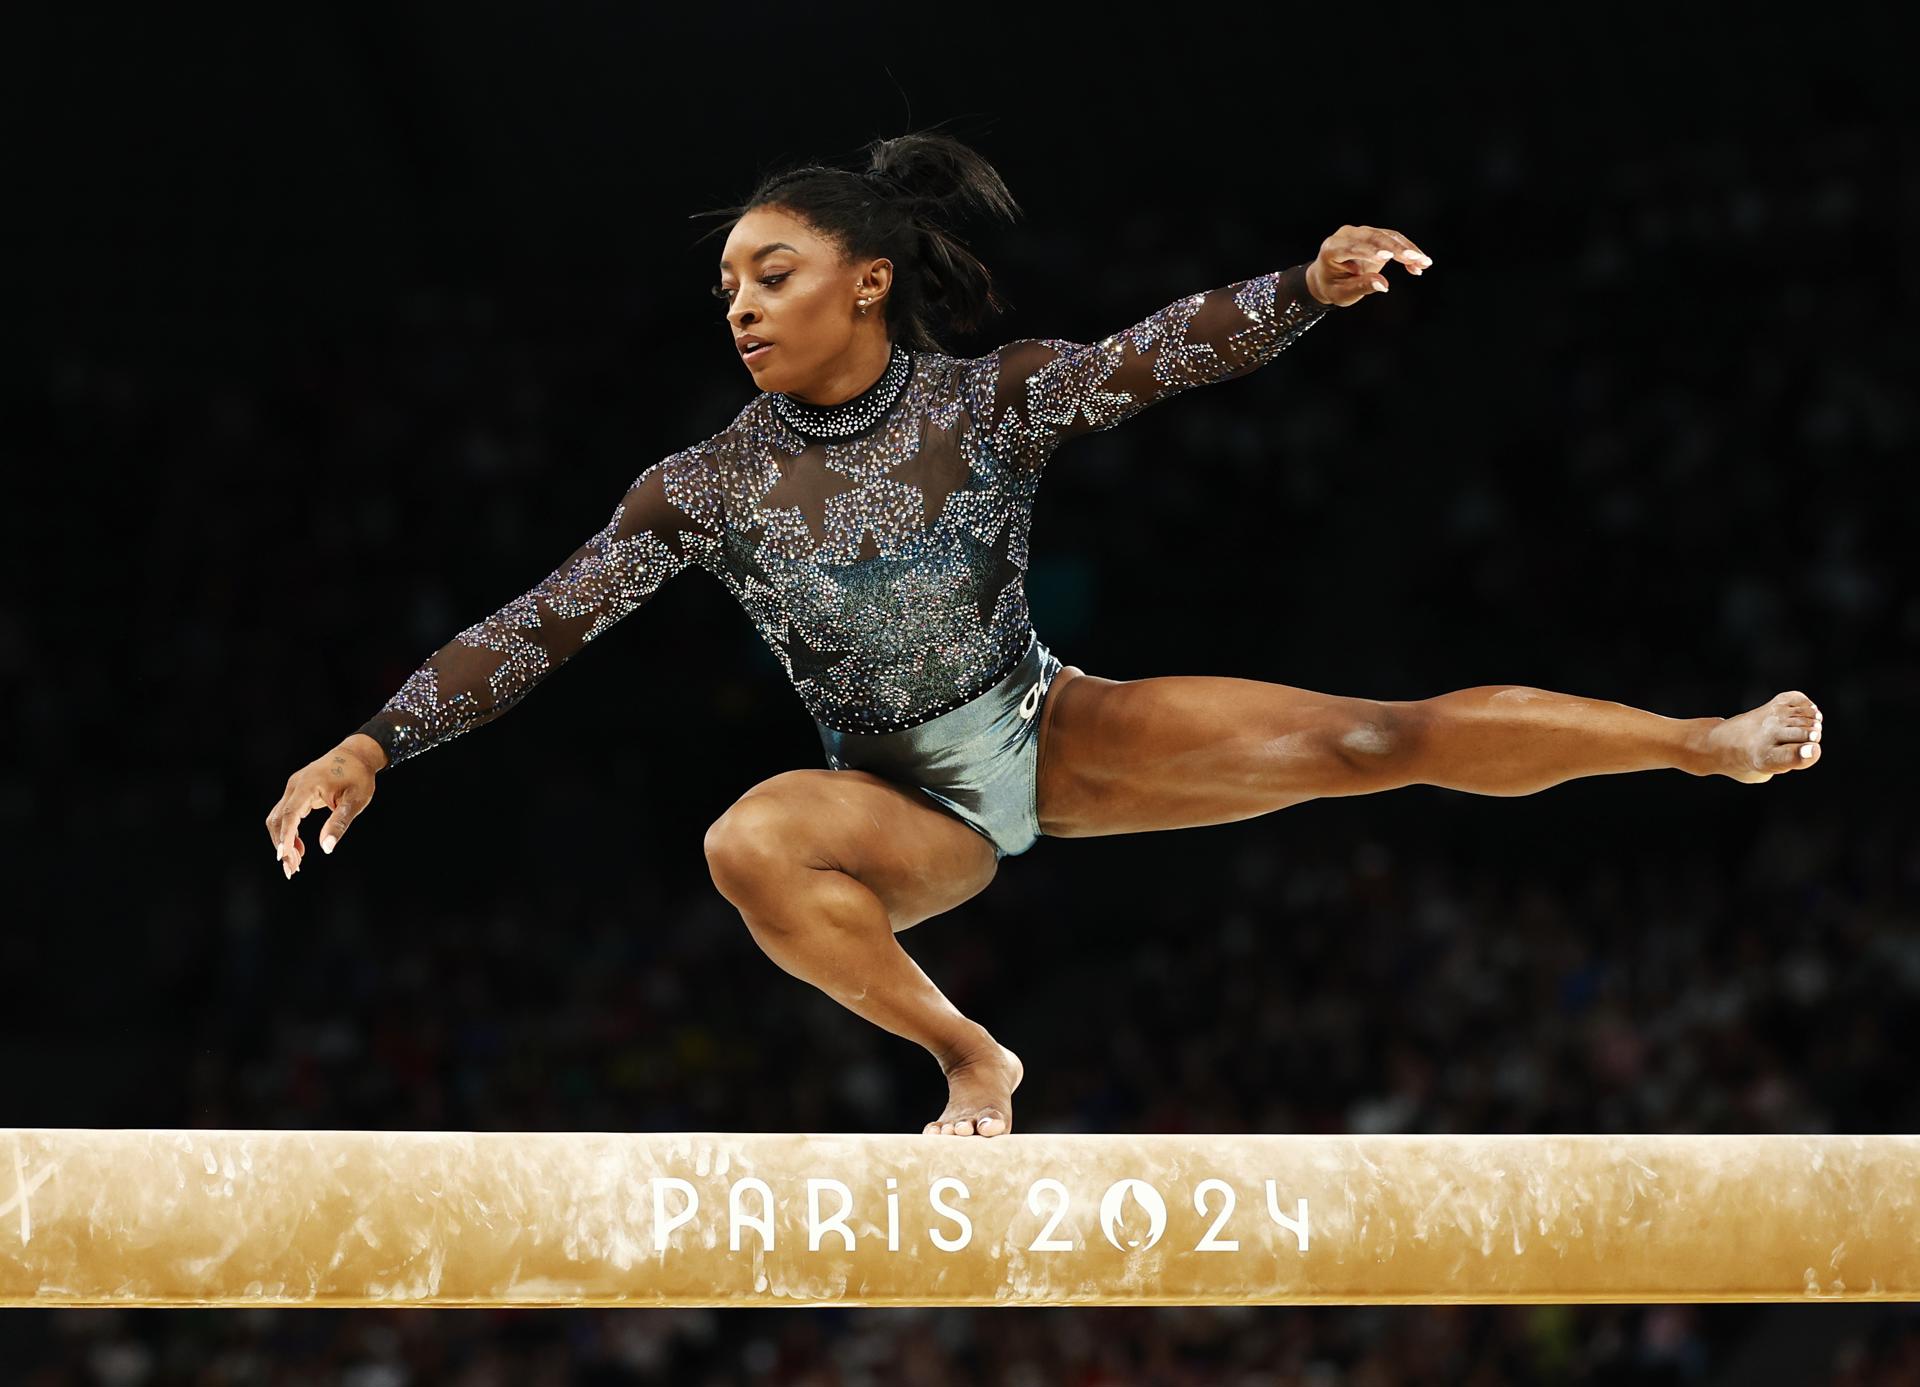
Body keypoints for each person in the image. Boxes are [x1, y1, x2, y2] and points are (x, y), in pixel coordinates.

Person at [265, 128, 1824, 1139]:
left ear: (868, 280)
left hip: (1047, 729)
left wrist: (1308, 287)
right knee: (749, 842)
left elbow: (1155, 356)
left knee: (1371, 737)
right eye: (729, 285)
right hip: (897, 809)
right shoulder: (703, 488)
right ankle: (969, 1058)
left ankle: (1697, 742)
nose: (739, 306)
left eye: (774, 272)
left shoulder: (984, 403)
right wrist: (373, 738)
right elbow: (540, 624)